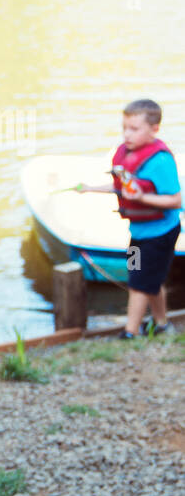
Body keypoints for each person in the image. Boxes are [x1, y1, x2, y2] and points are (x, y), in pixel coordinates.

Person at [78, 99, 181, 337]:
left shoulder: (160, 161)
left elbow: (175, 201)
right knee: (145, 277)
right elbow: (122, 188)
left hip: (160, 235)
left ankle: (130, 332)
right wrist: (91, 188)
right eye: (124, 127)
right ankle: (162, 324)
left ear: (154, 129)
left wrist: (142, 198)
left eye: (134, 129)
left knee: (139, 282)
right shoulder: (126, 155)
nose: (127, 134)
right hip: (138, 233)